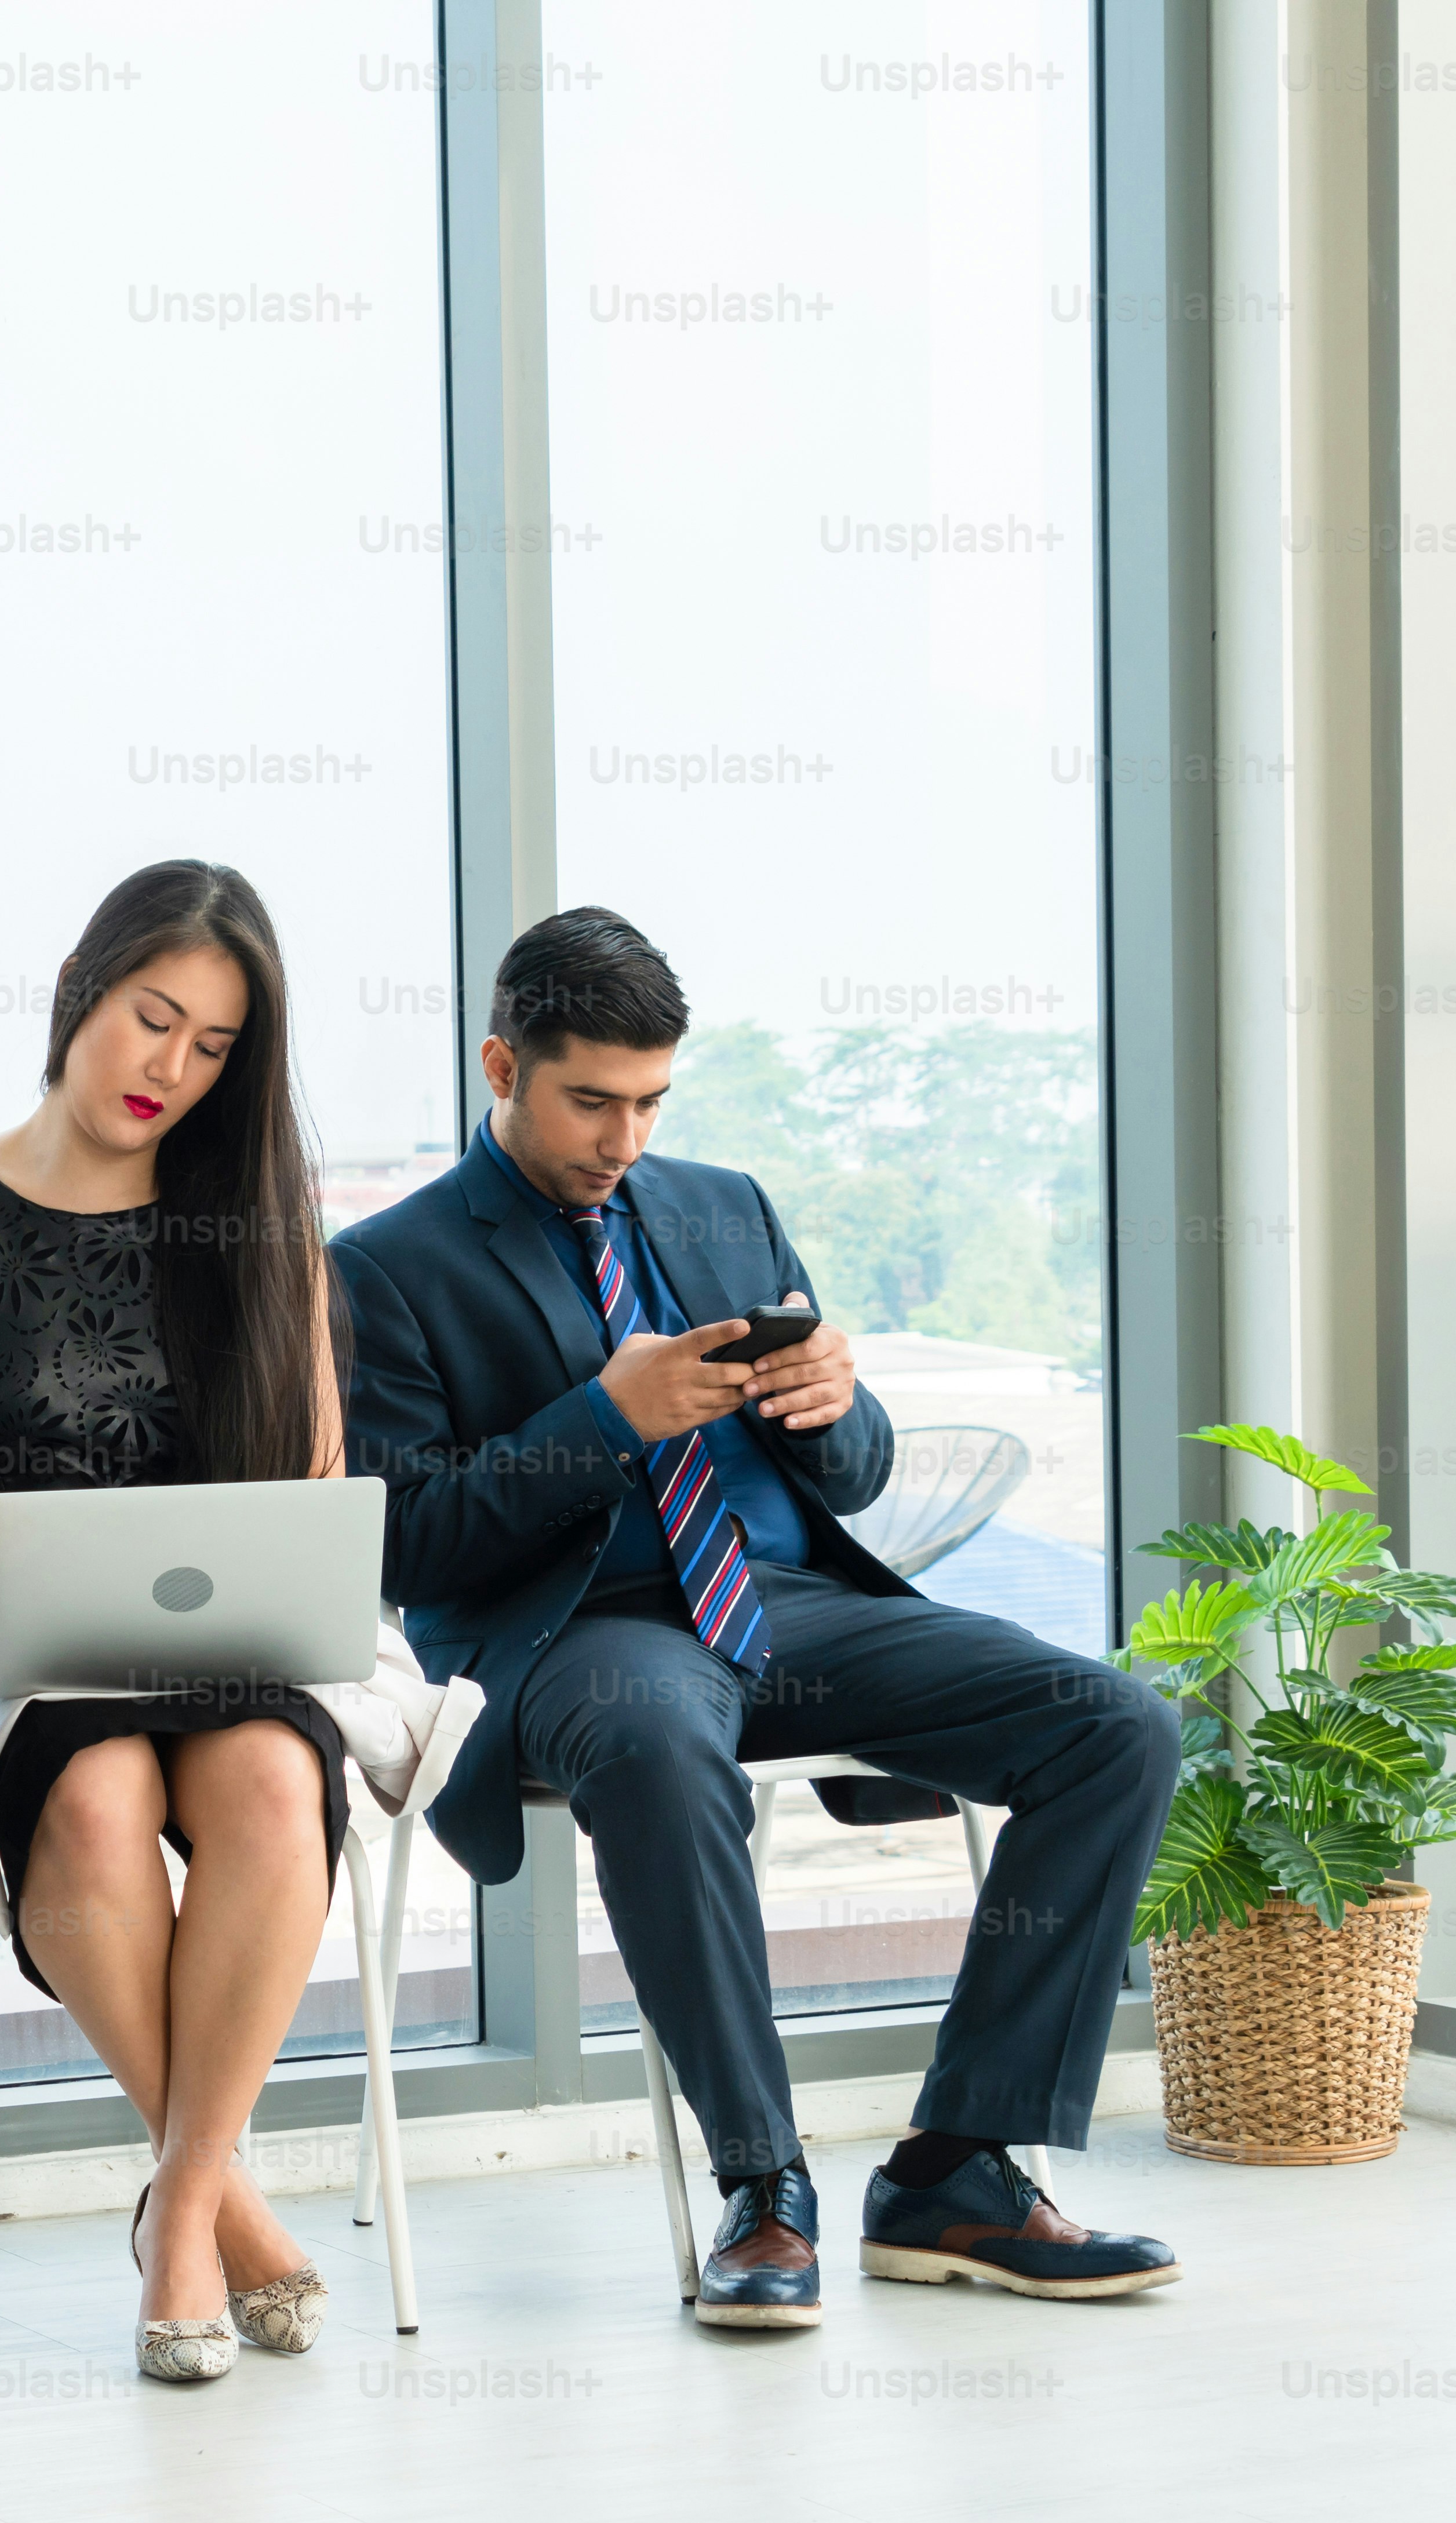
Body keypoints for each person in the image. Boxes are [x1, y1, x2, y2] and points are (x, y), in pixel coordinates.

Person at [328, 905, 1184, 2329]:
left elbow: (850, 1476)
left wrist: (838, 1405)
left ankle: (956, 2166)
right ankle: (762, 2185)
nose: (625, 1139)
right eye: (591, 1100)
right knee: (659, 1748)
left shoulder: (725, 1205)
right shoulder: (388, 1265)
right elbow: (408, 1544)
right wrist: (606, 1419)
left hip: (783, 1604)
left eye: (651, 1100)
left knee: (1115, 1727)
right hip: (582, 1633)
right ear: (501, 1064)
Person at [0, 859, 467, 2384]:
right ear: (81, 993)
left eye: (213, 1046)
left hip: (245, 1632)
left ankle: (176, 2205)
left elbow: (314, 1478)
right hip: (29, 1634)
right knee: (100, 1801)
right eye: (151, 1020)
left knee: (259, 1780)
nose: (169, 1070)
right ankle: (227, 2202)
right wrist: (14, 1581)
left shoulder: (259, 1217)